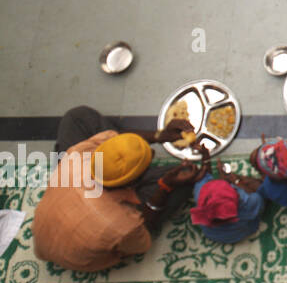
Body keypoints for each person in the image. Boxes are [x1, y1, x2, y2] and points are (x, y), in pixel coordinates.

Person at [31, 106, 202, 271]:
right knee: (183, 181)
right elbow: (142, 237)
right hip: (81, 252)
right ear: (131, 185)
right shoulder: (120, 226)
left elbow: (116, 141)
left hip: (59, 210)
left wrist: (160, 135)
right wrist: (165, 187)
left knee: (78, 117)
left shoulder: (78, 156)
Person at [191, 168, 264, 243]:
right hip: (239, 234)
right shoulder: (247, 204)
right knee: (259, 189)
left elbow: (204, 175)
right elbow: (259, 198)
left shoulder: (199, 192)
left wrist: (206, 158)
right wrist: (236, 181)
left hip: (212, 235)